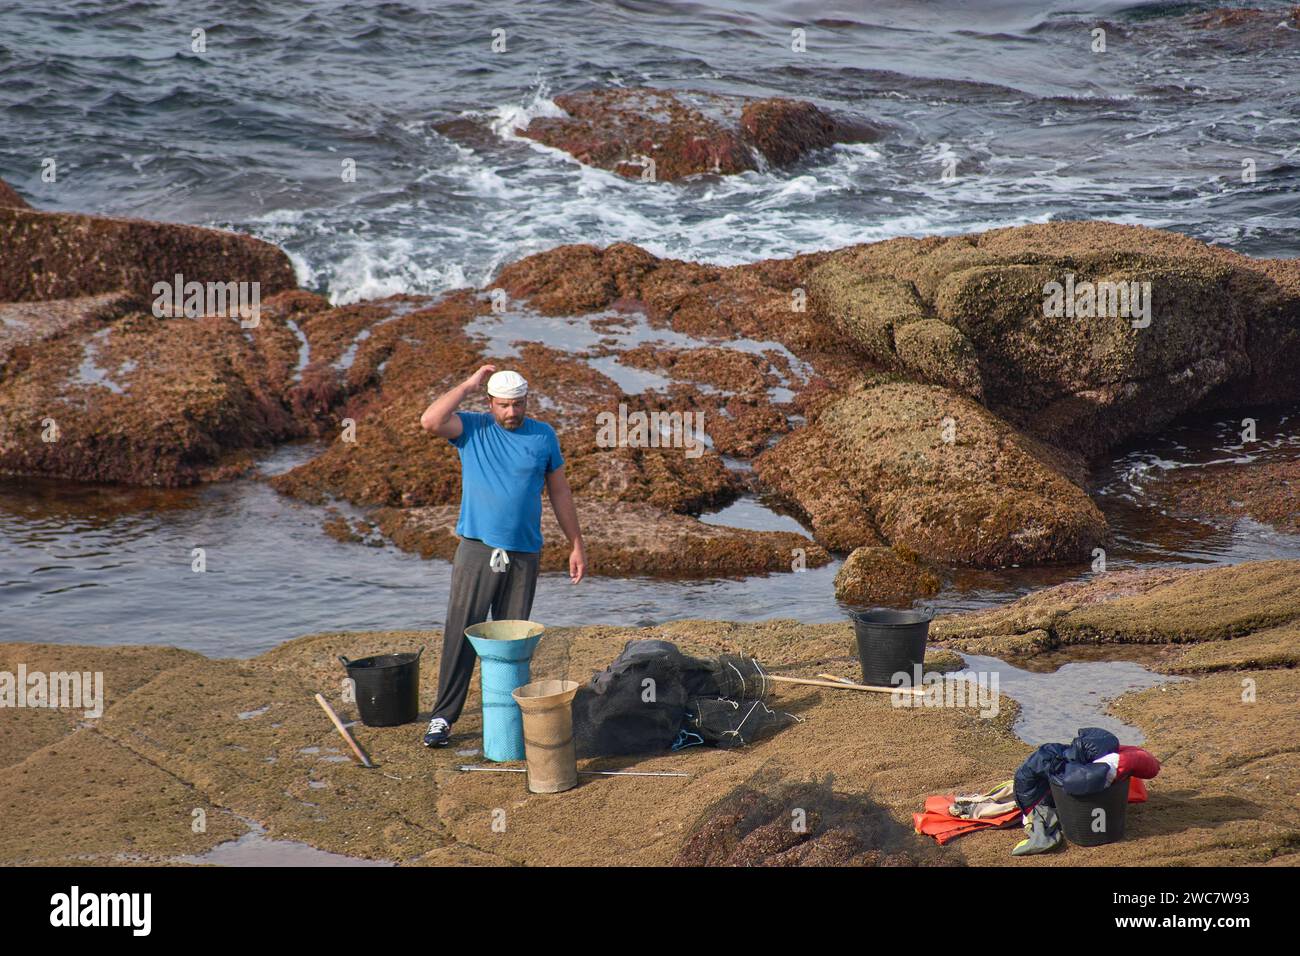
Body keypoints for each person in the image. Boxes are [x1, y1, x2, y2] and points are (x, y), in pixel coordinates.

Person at [417, 364, 586, 747]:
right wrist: (467, 384)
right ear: (490, 402)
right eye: (504, 405)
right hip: (477, 550)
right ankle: (443, 718)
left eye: (518, 405)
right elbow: (430, 421)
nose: (512, 413)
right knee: (461, 634)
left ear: (527, 402)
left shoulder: (543, 435)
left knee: (510, 642)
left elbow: (560, 492)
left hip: (525, 553)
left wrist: (576, 543)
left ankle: (508, 724)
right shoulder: (472, 428)